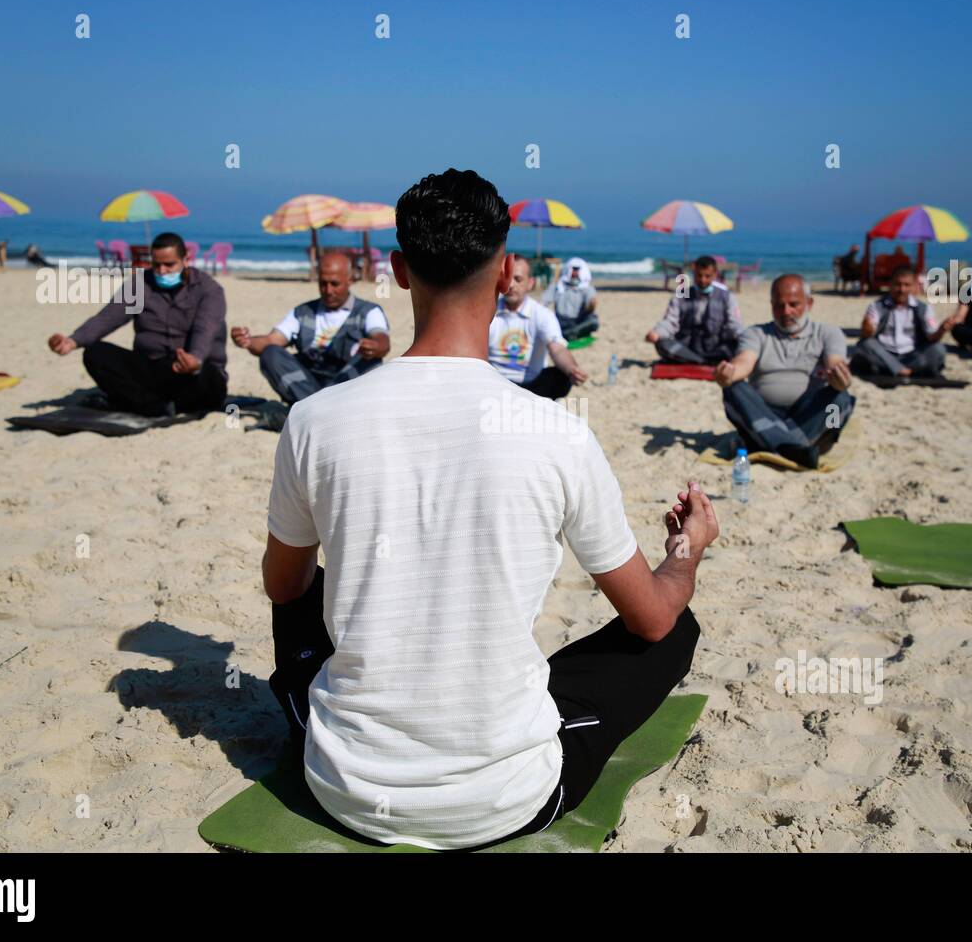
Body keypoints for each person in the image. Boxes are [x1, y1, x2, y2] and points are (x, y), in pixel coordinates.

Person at [263, 168, 715, 851]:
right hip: (505, 802)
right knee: (675, 626)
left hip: (343, 789)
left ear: (398, 271)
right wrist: (688, 551)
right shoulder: (559, 434)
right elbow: (649, 618)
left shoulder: (314, 421)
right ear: (507, 274)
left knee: (296, 572)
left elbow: (282, 588)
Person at [47, 232, 228, 417]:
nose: (162, 271)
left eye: (169, 264)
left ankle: (152, 404)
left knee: (207, 374)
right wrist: (72, 341)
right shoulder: (140, 284)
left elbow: (204, 329)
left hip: (193, 372)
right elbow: (108, 318)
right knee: (95, 353)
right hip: (153, 369)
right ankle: (154, 406)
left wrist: (195, 359)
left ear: (185, 259)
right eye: (156, 265)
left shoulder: (209, 290)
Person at [716, 275, 855, 469]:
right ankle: (794, 448)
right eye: (779, 306)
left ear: (810, 303)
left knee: (841, 400)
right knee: (732, 389)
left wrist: (840, 378)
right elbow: (744, 362)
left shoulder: (829, 333)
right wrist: (729, 373)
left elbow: (836, 362)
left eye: (793, 304)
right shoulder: (756, 333)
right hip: (764, 413)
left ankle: (768, 442)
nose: (786, 312)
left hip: (809, 416)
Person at [231, 252, 391, 405]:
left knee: (370, 359)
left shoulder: (369, 311)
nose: (328, 290)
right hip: (308, 383)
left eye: (334, 284)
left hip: (346, 384)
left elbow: (382, 339)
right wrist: (248, 341)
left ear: (349, 280)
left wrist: (375, 346)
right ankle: (318, 407)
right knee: (270, 353)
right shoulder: (302, 312)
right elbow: (271, 340)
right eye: (323, 283)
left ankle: (314, 408)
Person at [491, 254, 588, 399]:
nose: (511, 285)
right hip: (493, 383)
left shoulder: (541, 314)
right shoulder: (488, 311)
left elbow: (557, 348)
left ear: (530, 283)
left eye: (517, 279)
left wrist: (571, 369)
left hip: (530, 386)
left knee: (561, 377)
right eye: (507, 278)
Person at [851, 265, 955, 377]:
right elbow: (868, 334)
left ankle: (897, 370)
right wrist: (867, 328)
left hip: (912, 355)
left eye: (907, 285)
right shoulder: (876, 306)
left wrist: (941, 330)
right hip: (885, 354)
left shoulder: (923, 308)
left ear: (914, 286)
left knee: (938, 348)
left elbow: (931, 337)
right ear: (890, 284)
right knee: (866, 344)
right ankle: (903, 371)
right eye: (898, 285)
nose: (902, 289)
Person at [645, 255, 742, 365]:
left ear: (715, 275)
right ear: (694, 273)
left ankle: (698, 360)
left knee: (739, 344)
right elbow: (670, 321)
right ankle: (702, 361)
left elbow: (734, 324)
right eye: (699, 275)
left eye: (707, 276)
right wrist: (657, 332)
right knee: (662, 343)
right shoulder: (681, 296)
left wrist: (742, 336)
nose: (702, 280)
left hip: (716, 347)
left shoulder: (727, 297)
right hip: (686, 347)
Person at [542, 256, 599, 340]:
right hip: (560, 321)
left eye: (577, 270)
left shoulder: (587, 288)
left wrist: (592, 304)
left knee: (593, 321)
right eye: (573, 270)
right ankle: (567, 333)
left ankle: (571, 333)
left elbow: (591, 303)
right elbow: (543, 302)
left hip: (578, 321)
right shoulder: (557, 286)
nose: (575, 273)